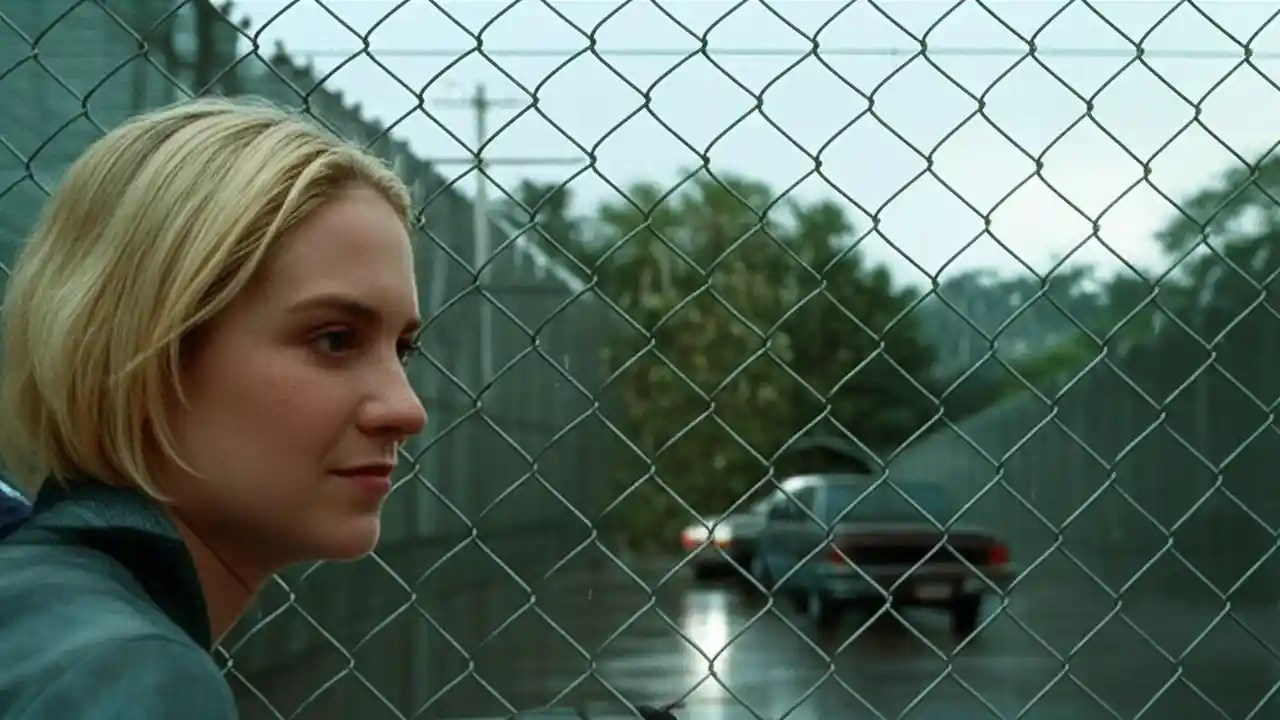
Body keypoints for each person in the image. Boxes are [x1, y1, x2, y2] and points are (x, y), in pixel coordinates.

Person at [0, 96, 428, 718]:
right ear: (145, 352)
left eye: (404, 349)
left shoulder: (42, 618)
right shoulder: (132, 675)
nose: (405, 410)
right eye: (334, 340)